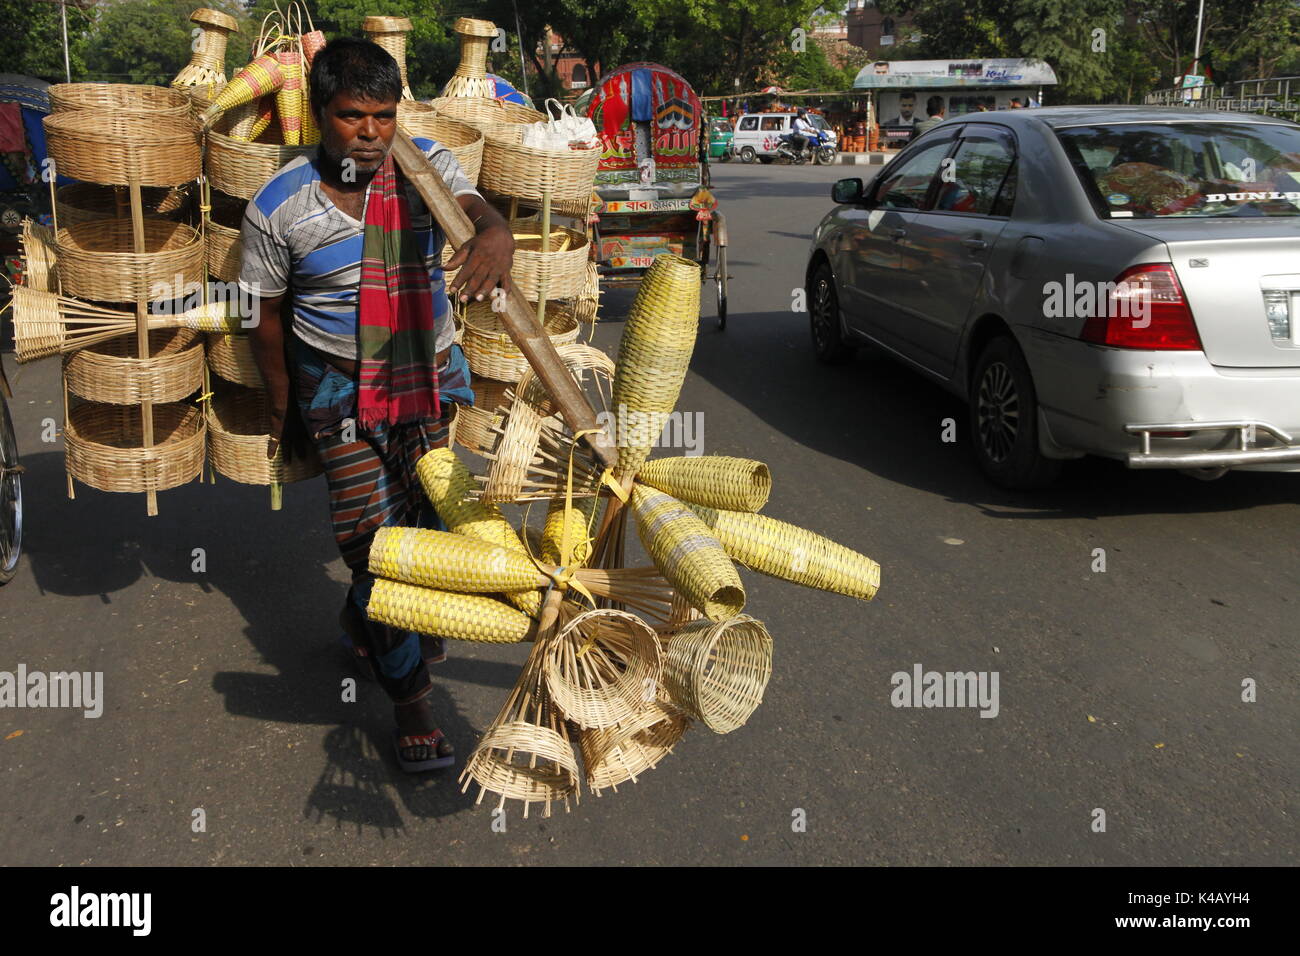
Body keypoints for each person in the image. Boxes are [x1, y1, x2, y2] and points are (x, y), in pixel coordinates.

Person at [238, 39, 516, 773]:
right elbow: (263, 316)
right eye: (351, 116)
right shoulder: (279, 206)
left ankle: (366, 621)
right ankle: (413, 706)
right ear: (319, 116)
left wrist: (496, 234)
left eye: (384, 116)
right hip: (338, 390)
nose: (370, 132)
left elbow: (476, 210)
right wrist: (279, 406)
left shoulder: (424, 166)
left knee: (428, 524)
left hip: (427, 379)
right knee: (376, 545)